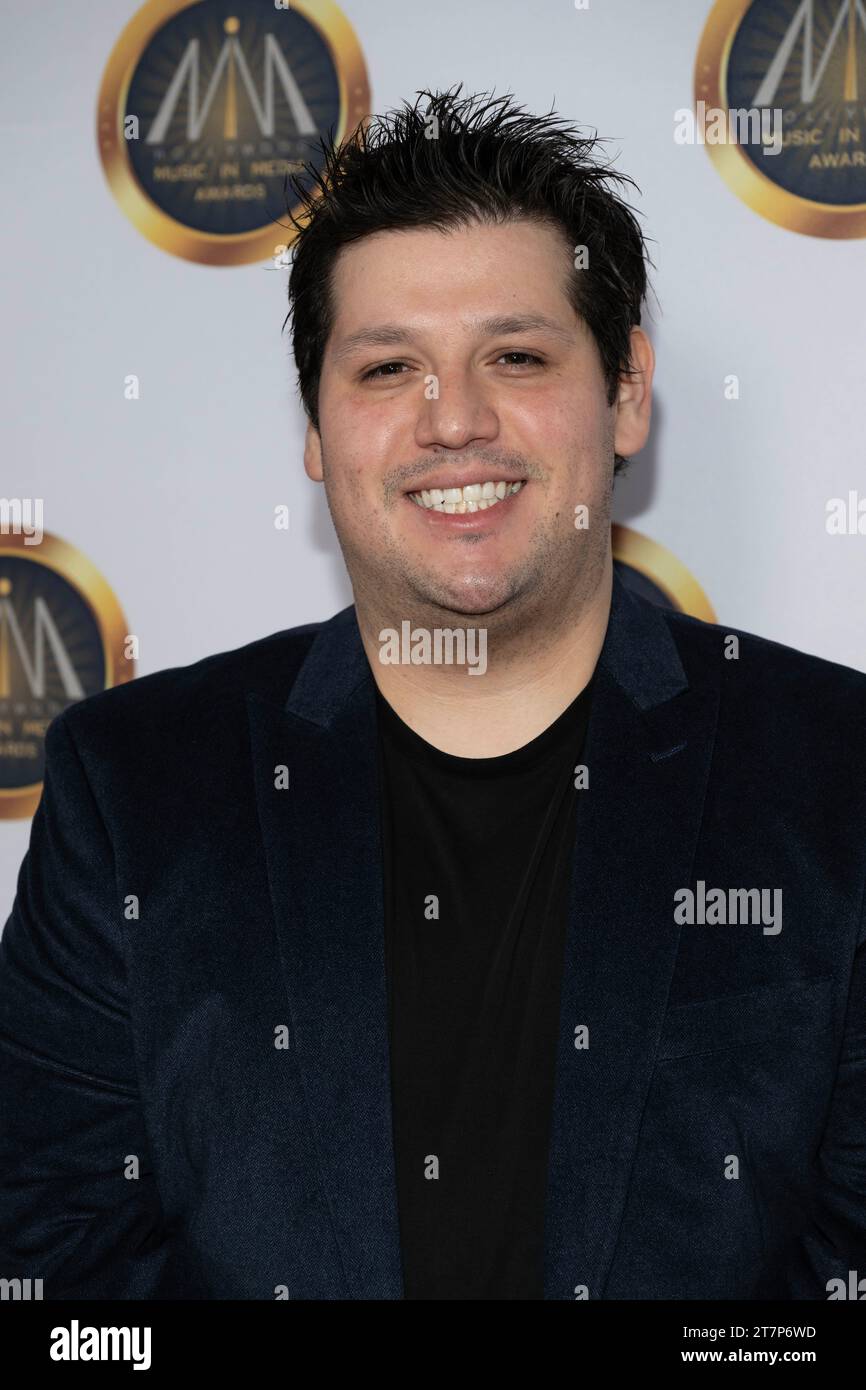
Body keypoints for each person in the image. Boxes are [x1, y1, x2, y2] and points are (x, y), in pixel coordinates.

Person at [1, 87, 864, 1301]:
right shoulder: (131, 786)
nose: (451, 419)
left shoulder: (836, 771)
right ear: (315, 427)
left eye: (514, 356)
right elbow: (55, 1269)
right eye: (387, 366)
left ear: (623, 392)